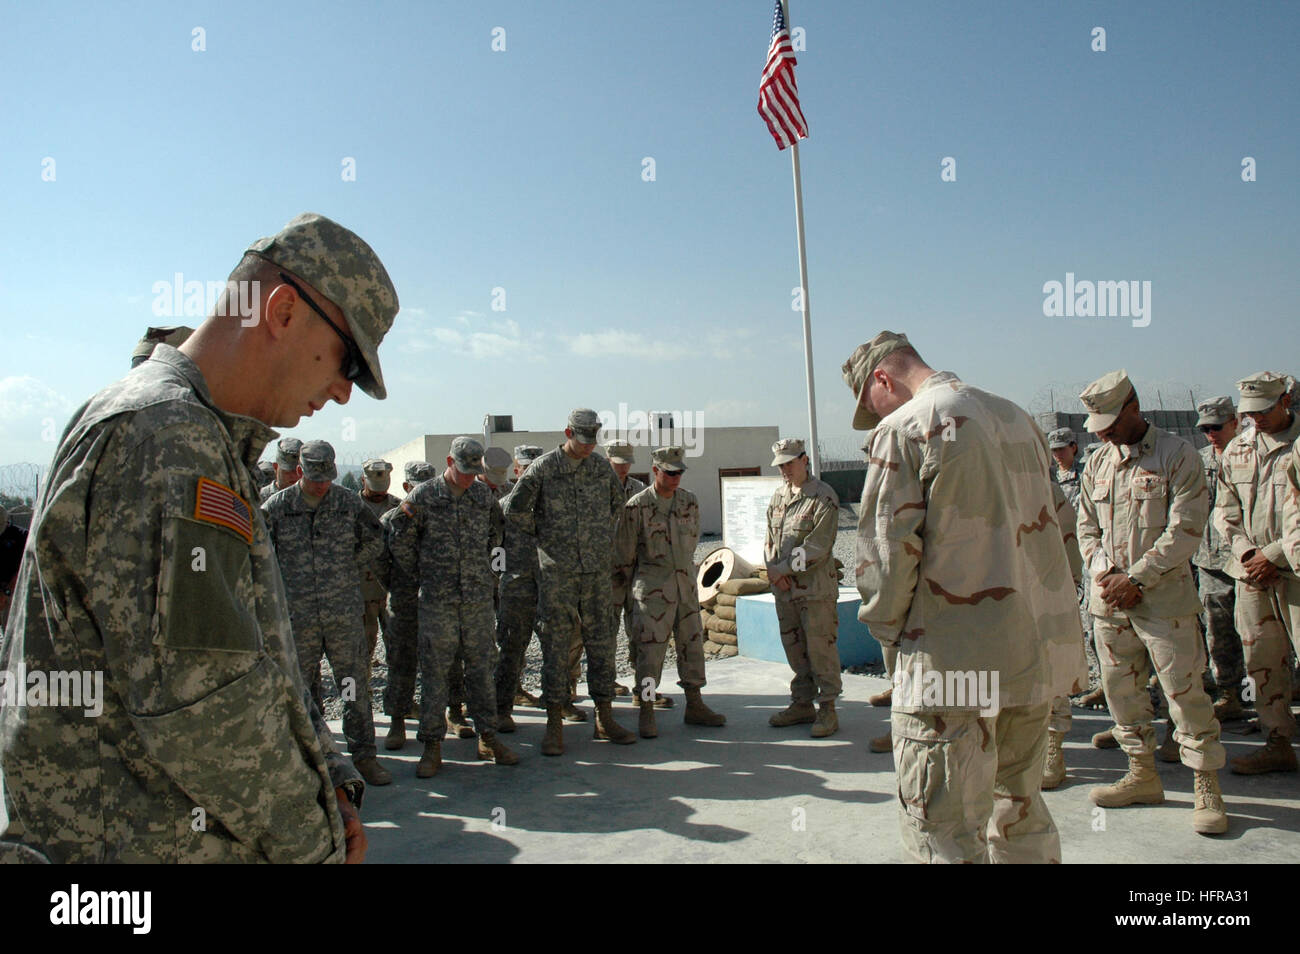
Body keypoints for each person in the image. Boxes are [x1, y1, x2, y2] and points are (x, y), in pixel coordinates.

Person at [0, 211, 398, 863]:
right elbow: (205, 711)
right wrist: (314, 840)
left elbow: (258, 659)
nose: (342, 393)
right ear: (283, 310)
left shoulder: (193, 434)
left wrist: (328, 780)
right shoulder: (167, 437)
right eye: (348, 360)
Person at [847, 331, 1083, 863]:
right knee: (1020, 813)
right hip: (1031, 659)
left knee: (944, 830)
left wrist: (891, 640)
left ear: (881, 379)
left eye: (868, 403)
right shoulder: (1015, 415)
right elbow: (1059, 531)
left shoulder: (906, 427)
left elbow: (885, 560)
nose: (873, 415)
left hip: (950, 670)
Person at [1075, 370, 1227, 835]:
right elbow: (1086, 529)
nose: (1102, 432)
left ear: (1134, 408)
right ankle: (1142, 775)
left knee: (1185, 694)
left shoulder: (1176, 455)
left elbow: (1185, 530)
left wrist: (1136, 578)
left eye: (1109, 422)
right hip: (1110, 605)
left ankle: (1207, 786)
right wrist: (1106, 574)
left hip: (1164, 602)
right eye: (1096, 424)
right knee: (1122, 693)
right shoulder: (1097, 462)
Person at [503, 409, 637, 754]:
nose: (588, 447)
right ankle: (553, 724)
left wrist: (595, 539)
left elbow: (616, 504)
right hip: (558, 574)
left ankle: (604, 718)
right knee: (556, 646)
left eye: (593, 440)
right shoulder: (544, 468)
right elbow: (515, 510)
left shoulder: (599, 468)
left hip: (595, 572)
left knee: (602, 642)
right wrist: (547, 539)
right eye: (582, 440)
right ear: (567, 432)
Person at [387, 437, 518, 776]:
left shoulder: (481, 496)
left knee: (481, 670)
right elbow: (399, 539)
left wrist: (484, 570)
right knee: (435, 673)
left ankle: (488, 738)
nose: (468, 477)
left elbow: (496, 535)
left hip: (476, 600)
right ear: (449, 461)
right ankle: (432, 747)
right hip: (438, 601)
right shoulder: (424, 496)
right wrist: (423, 572)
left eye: (474, 472)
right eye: (463, 470)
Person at [263, 440, 391, 786]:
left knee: (352, 686)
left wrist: (348, 565)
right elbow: (259, 555)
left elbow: (377, 538)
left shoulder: (347, 502)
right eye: (315, 478)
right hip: (298, 616)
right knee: (303, 690)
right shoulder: (277, 507)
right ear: (300, 471)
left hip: (343, 615)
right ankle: (315, 761)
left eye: (327, 478)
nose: (322, 485)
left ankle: (364, 756)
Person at [1214, 372, 1300, 774]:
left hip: (1294, 571)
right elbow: (1224, 511)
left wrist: (1274, 554)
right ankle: (1278, 740)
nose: (1257, 419)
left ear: (1285, 400)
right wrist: (1248, 552)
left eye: (1264, 410)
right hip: (1253, 574)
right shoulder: (1238, 450)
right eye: (1249, 413)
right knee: (1262, 660)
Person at [615, 446, 726, 738]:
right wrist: (627, 598)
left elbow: (693, 540)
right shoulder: (636, 507)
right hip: (651, 592)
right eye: (670, 472)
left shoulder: (689, 502)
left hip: (685, 588)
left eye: (679, 473)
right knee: (650, 655)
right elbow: (624, 557)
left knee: (692, 647)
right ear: (656, 471)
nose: (676, 478)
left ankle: (695, 704)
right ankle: (647, 710)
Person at [764, 437, 842, 738]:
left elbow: (816, 547)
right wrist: (773, 571)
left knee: (820, 648)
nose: (785, 470)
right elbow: (769, 537)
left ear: (805, 460)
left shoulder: (823, 497)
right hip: (785, 591)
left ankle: (828, 709)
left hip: (814, 591)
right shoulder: (778, 497)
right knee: (794, 648)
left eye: (789, 463)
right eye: (780, 465)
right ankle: (802, 703)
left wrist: (781, 571)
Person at [1191, 397, 1247, 722]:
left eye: (1217, 426)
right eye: (1205, 429)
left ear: (1234, 422)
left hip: (1249, 558)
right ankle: (1230, 693)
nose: (1211, 434)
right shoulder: (1199, 461)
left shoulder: (1249, 455)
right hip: (1210, 559)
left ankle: (1267, 695)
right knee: (1218, 629)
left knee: (1258, 632)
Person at [382, 460, 436, 750]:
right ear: (407, 487)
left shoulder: (441, 518)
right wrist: (396, 588)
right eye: (419, 487)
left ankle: (450, 714)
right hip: (404, 604)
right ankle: (397, 721)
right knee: (401, 663)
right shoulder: (391, 519)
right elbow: (379, 561)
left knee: (443, 663)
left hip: (436, 601)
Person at [494, 445, 546, 731]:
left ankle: (558, 703)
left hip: (549, 586)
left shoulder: (552, 507)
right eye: (526, 469)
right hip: (515, 590)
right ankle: (502, 708)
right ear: (516, 471)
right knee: (511, 649)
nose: (530, 475)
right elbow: (492, 551)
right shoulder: (503, 508)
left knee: (557, 646)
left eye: (535, 469)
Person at [603, 440, 653, 702]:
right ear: (608, 459)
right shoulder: (596, 488)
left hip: (635, 572)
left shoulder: (639, 490)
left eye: (627, 463)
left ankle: (643, 691)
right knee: (605, 632)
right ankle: (605, 683)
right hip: (607, 574)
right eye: (618, 463)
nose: (623, 468)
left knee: (641, 631)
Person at [358, 459, 401, 684]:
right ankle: (361, 704)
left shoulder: (399, 506)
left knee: (398, 648)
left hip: (392, 589)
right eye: (374, 488)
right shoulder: (350, 507)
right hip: (362, 591)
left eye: (383, 487)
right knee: (362, 652)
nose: (379, 492)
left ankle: (400, 703)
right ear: (363, 480)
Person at [260, 436, 303, 503]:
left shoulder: (313, 497)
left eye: (299, 471)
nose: (294, 476)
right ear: (275, 467)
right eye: (288, 471)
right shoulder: (259, 499)